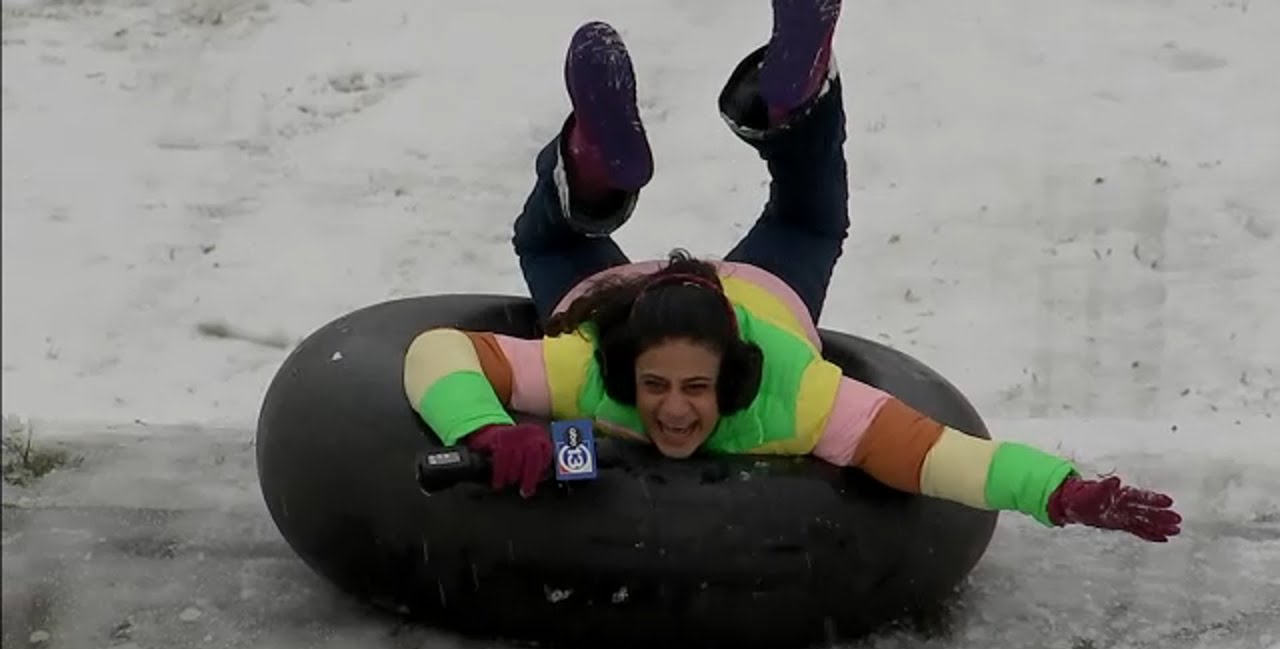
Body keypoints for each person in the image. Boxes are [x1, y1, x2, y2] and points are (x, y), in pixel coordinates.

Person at [403, 0, 1182, 542]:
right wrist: (490, 432)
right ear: (624, 370)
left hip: (749, 303)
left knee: (558, 245)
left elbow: (940, 455)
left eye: (697, 388)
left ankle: (592, 166)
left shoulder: (801, 395)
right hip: (629, 299)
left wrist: (1062, 493)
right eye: (656, 387)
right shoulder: (589, 366)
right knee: (805, 219)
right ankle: (794, 100)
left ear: (737, 378)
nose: (672, 411)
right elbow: (437, 351)